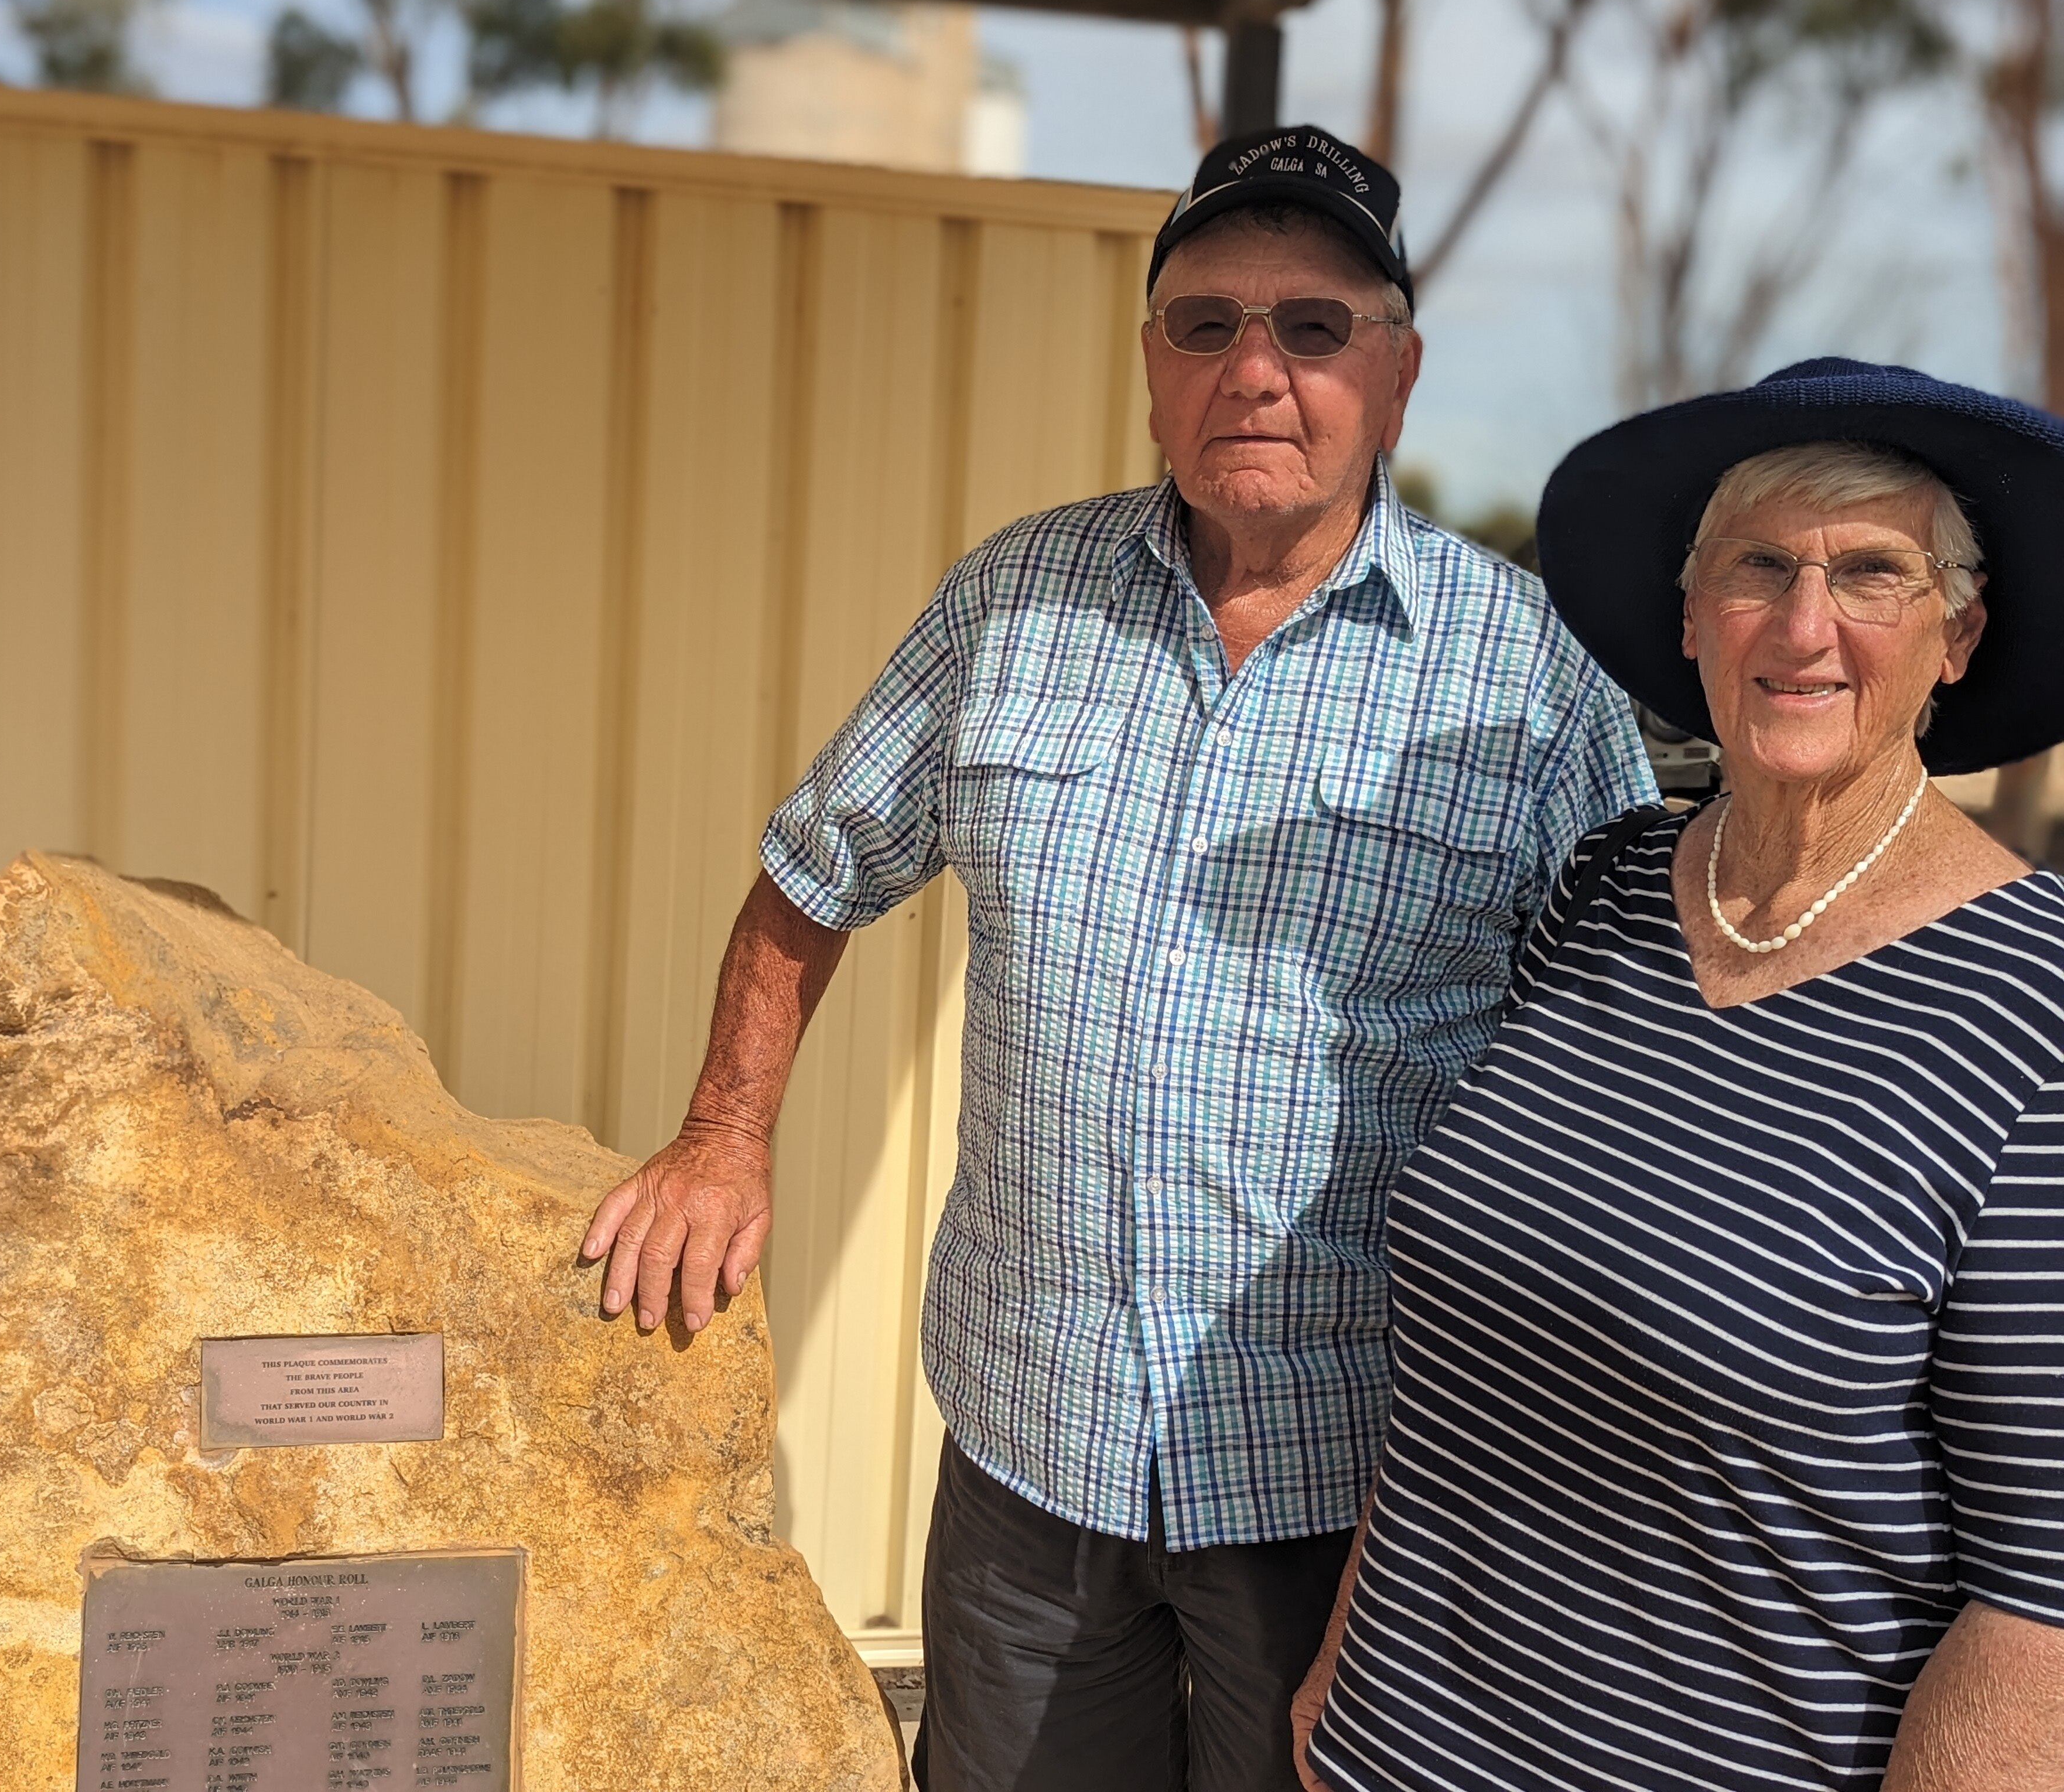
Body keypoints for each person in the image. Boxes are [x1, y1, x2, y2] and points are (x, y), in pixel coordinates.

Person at [582, 124, 1655, 1792]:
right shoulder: (1013, 602)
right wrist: (726, 1135)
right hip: (1030, 1455)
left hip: (1350, 1501)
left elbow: (1616, 1065)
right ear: (1152, 364)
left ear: (1399, 370)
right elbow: (814, 872)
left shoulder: (1525, 677)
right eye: (1206, 322)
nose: (1258, 370)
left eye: (1315, 327)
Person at [1295, 359, 2064, 1792]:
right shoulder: (1604, 888)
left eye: (1875, 575)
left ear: (1958, 635)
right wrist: (1346, 1659)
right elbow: (1460, 1353)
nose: (1805, 624)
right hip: (1391, 1748)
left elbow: (2039, 1613)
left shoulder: (2037, 1016)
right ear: (1695, 614)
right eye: (1759, 567)